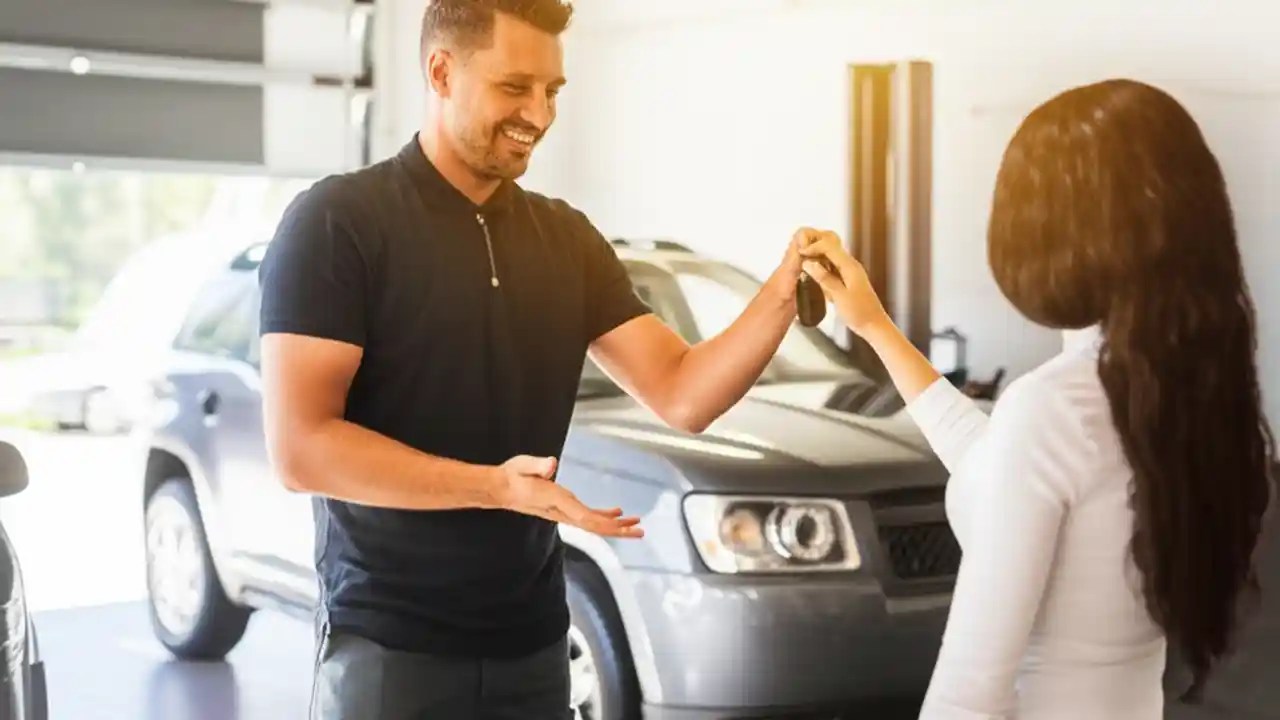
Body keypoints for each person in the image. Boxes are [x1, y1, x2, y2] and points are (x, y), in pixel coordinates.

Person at [256, 1, 809, 718]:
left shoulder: (566, 239)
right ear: (441, 71)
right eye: (515, 88)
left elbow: (683, 394)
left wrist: (782, 293)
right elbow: (302, 448)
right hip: (390, 650)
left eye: (552, 91)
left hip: (536, 646)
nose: (540, 115)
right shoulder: (339, 222)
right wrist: (494, 487)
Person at [799, 79, 1276, 719]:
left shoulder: (1051, 407)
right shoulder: (1178, 392)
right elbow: (999, 459)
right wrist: (875, 327)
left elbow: (968, 696)